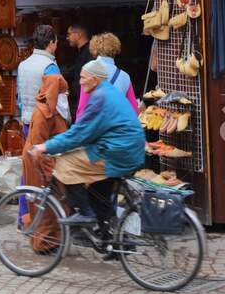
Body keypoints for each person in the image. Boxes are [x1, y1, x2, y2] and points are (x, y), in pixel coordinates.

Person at [29, 64, 145, 226]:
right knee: (97, 192)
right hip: (127, 149)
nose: (81, 82)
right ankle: (109, 240)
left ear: (95, 79)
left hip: (118, 152)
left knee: (65, 163)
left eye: (84, 78)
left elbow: (79, 134)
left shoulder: (99, 98)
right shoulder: (109, 92)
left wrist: (46, 147)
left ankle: (85, 214)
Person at [19, 69, 71, 251]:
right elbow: (36, 145)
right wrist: (49, 170)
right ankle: (43, 243)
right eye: (64, 93)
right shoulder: (43, 112)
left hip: (47, 162)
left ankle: (52, 240)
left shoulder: (54, 110)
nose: (66, 96)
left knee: (54, 204)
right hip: (38, 164)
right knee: (45, 208)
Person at [16, 24, 69, 136]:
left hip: (27, 123)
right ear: (50, 43)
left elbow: (20, 100)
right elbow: (58, 101)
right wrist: (67, 120)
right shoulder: (50, 66)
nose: (56, 45)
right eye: (56, 42)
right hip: (46, 125)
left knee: (31, 152)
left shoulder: (22, 65)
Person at [85, 32, 137, 114]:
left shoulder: (88, 73)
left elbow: (82, 107)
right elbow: (133, 109)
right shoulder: (125, 76)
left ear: (94, 49)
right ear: (115, 49)